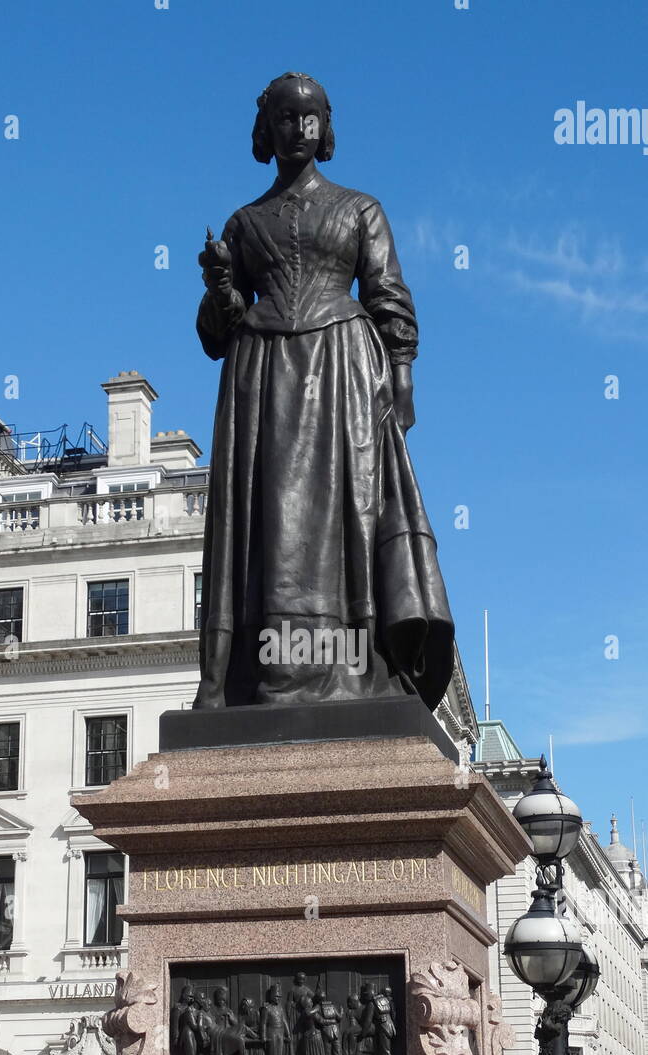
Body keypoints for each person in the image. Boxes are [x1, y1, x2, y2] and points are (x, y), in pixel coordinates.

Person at [193, 70, 454, 711]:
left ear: (326, 126)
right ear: (267, 128)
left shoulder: (360, 208)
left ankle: (361, 666)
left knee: (352, 514)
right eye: (286, 116)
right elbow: (214, 335)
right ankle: (250, 673)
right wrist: (221, 286)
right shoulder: (243, 222)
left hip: (343, 369)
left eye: (310, 117)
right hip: (261, 377)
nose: (298, 127)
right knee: (268, 520)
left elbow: (388, 295)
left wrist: (403, 373)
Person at [259, 983, 291, 1055]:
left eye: (279, 997)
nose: (278, 998)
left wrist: (288, 1033)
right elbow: (263, 1023)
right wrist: (263, 1036)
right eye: (276, 996)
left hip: (280, 1032)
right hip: (271, 1032)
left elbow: (284, 1020)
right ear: (272, 996)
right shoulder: (266, 1008)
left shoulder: (280, 1008)